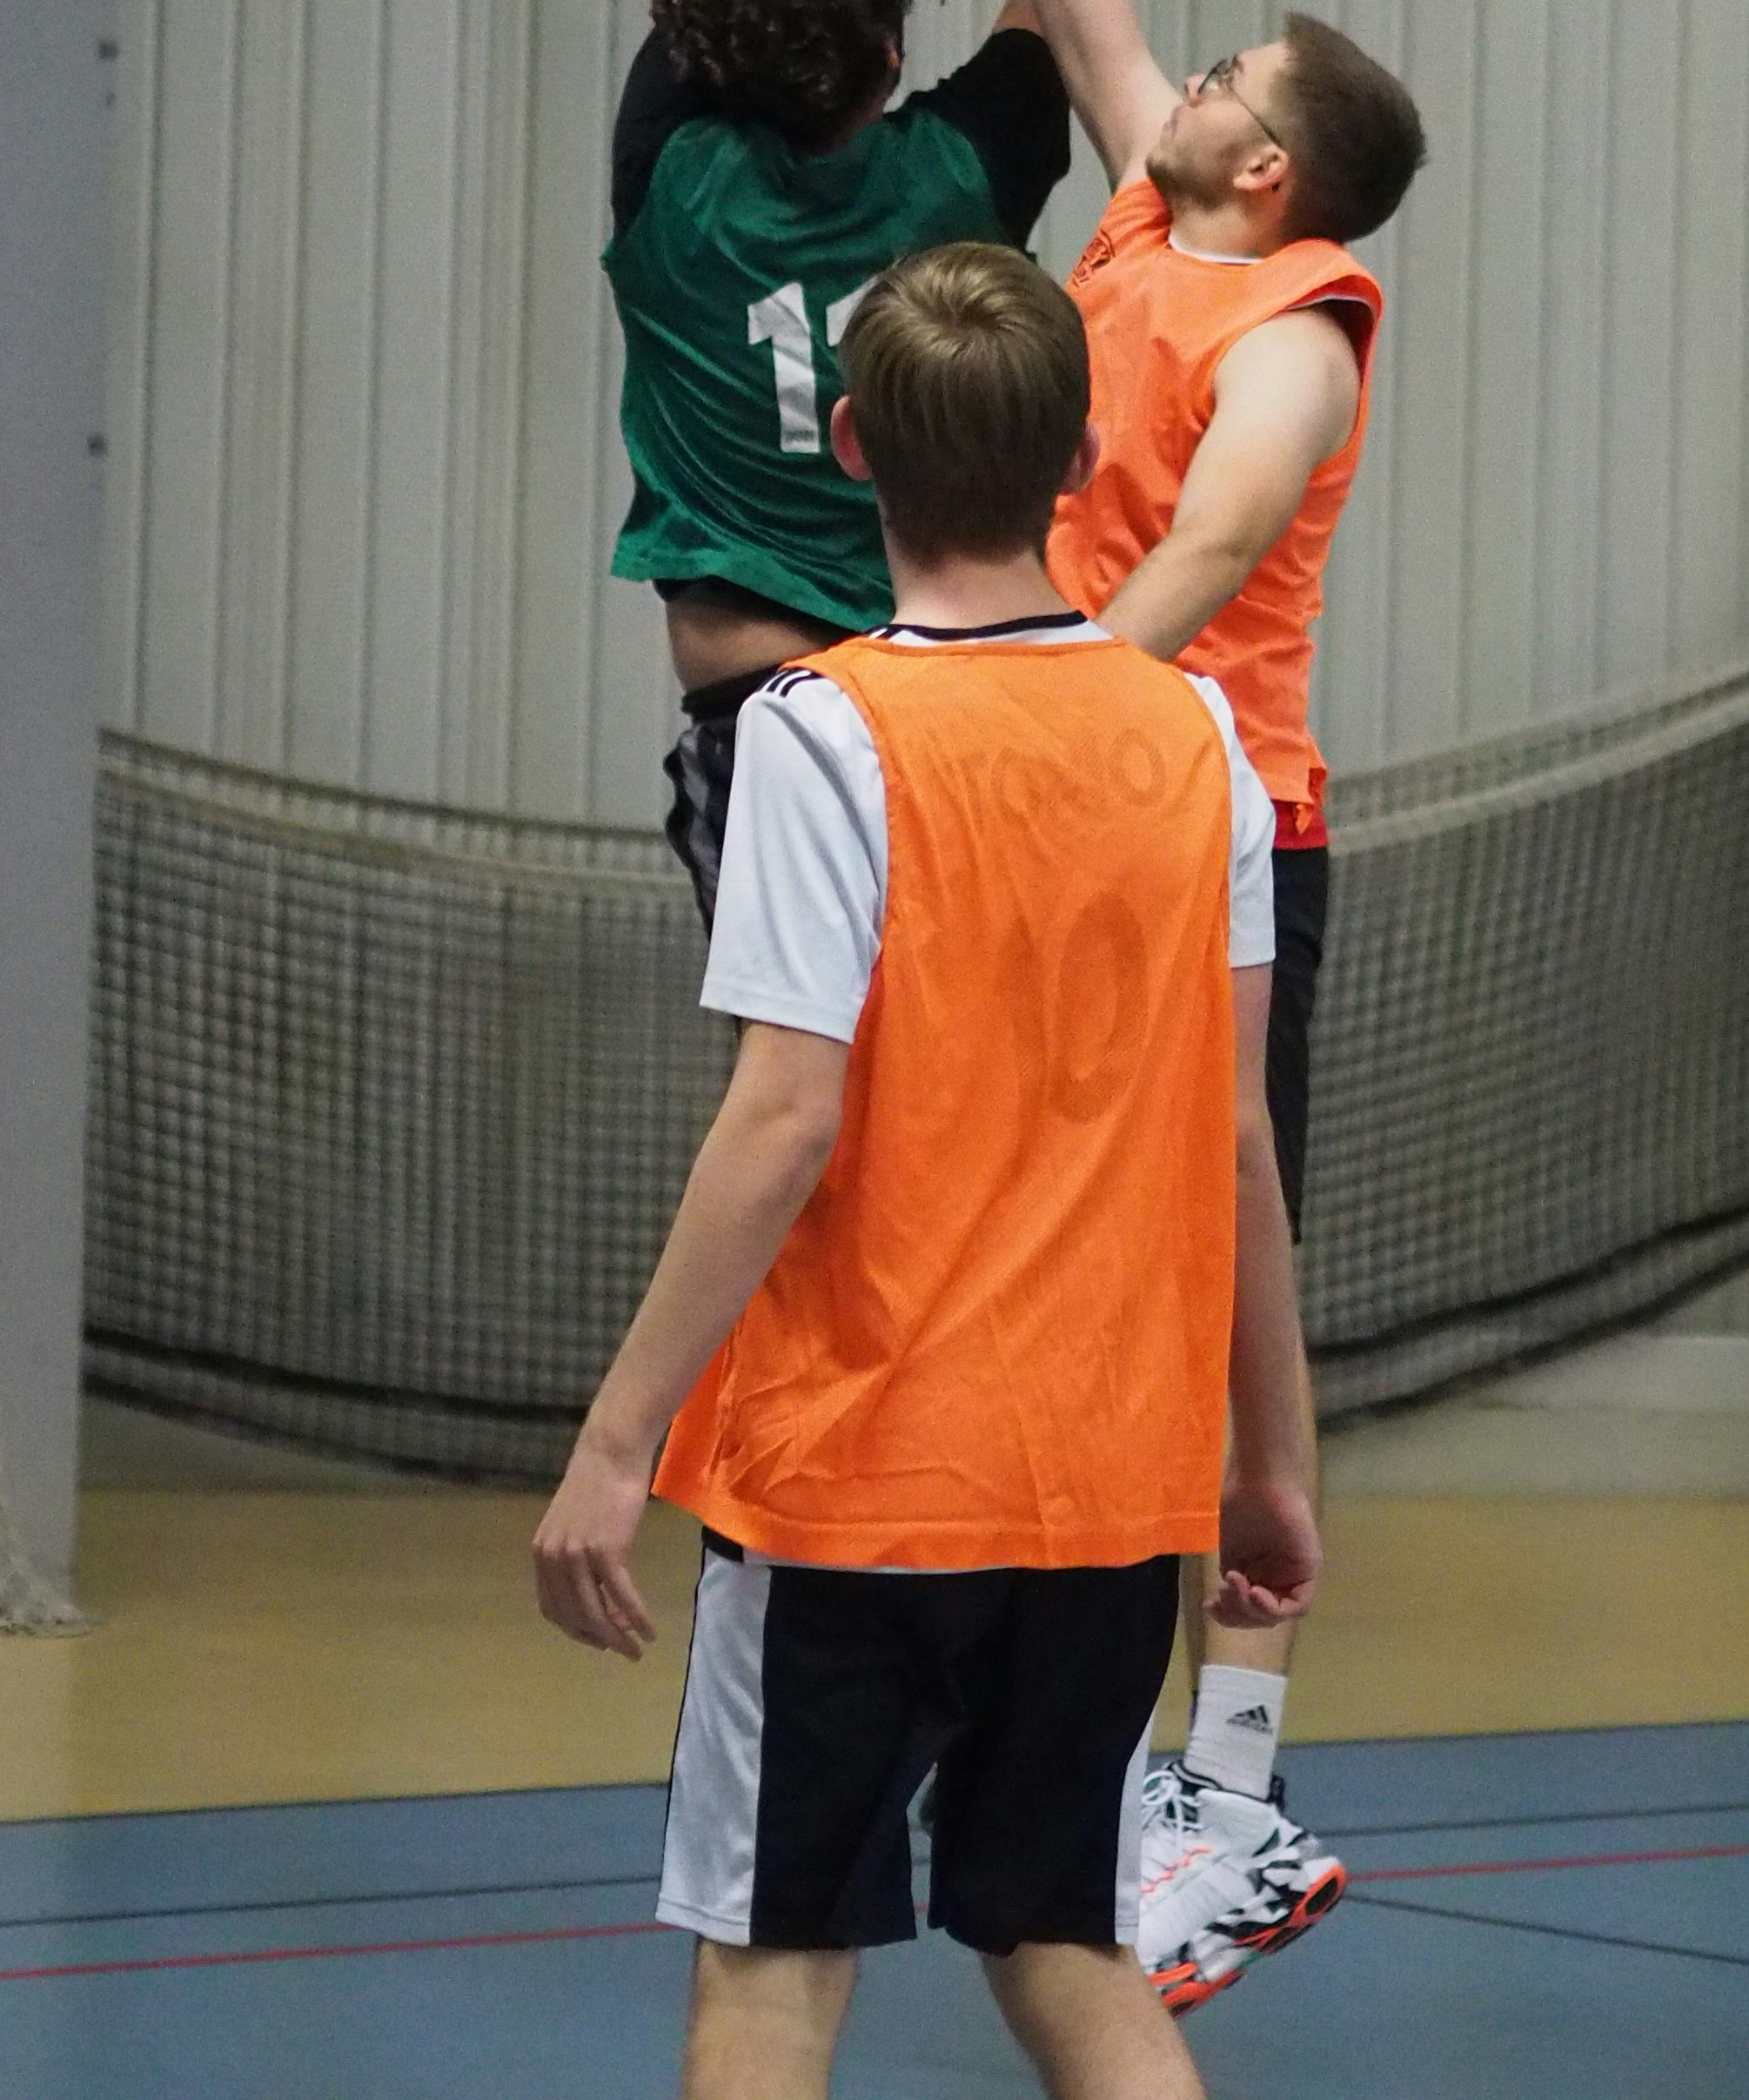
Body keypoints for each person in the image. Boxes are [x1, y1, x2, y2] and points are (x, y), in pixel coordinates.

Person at [535, 240, 1321, 2100]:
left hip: (856, 1480)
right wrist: (1272, 1456)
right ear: (1080, 454)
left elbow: (784, 1116)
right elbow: (1235, 1127)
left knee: (772, 1965)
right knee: (1068, 1940)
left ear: (858, 444)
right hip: (1110, 1481)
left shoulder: (827, 732)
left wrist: (614, 1439)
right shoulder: (1195, 730)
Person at [942, 0, 1426, 2015]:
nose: (1181, 62)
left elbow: (1189, 577)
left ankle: (1231, 1776)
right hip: (1080, 772)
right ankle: (1121, 1750)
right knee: (1086, 1282)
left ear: (1274, 170)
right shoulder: (1151, 227)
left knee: (1216, 1245)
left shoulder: (1298, 338)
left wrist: (1013, 710)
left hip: (1212, 813)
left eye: (1223, 80)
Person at [605, 0, 1144, 909]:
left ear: (715, 28)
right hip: (949, 688)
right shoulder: (961, 172)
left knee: (810, 1072)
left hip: (764, 700)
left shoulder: (674, 177)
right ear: (891, 59)